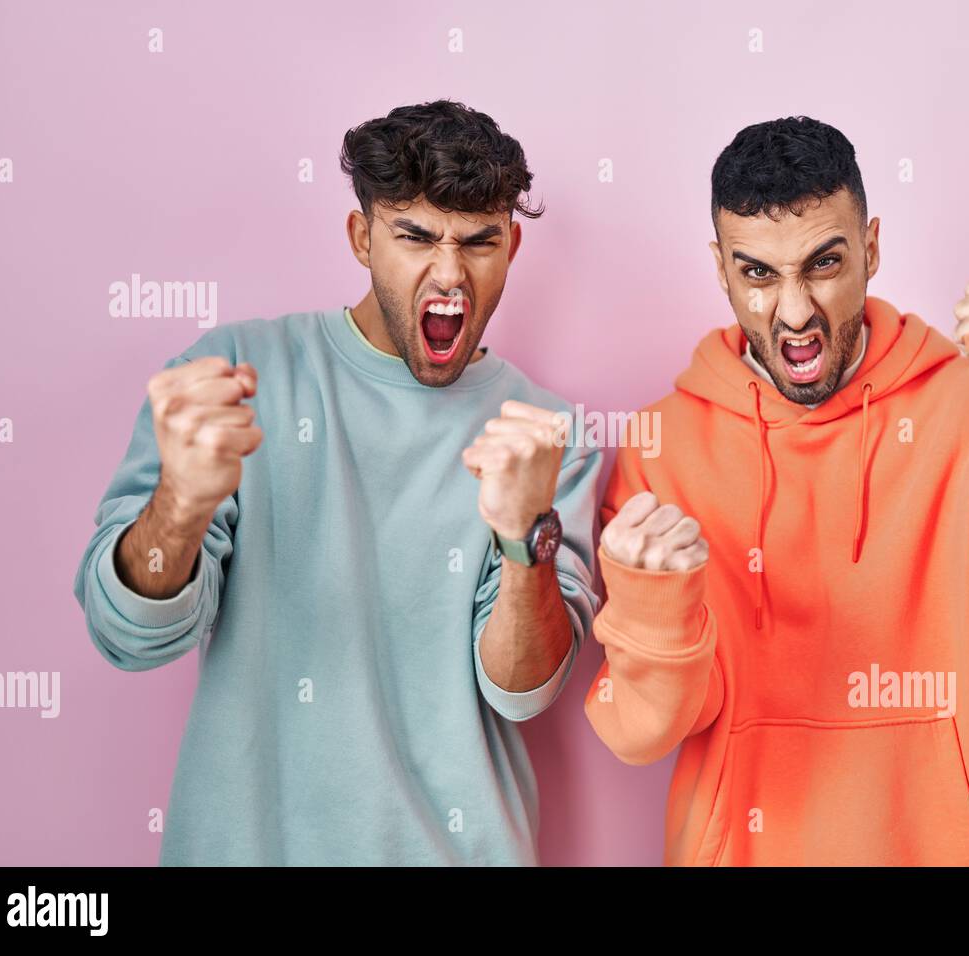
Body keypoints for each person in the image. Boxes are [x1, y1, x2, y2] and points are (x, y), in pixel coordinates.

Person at [583, 115, 969, 866]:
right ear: (720, 270)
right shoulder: (665, 445)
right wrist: (653, 613)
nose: (794, 312)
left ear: (871, 249)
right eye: (757, 274)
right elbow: (639, 732)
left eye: (823, 263)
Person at [74, 99, 599, 865]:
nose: (449, 273)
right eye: (415, 236)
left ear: (512, 247)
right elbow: (127, 635)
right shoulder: (233, 379)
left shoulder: (546, 433)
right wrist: (180, 507)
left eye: (479, 242)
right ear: (362, 237)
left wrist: (525, 541)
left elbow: (522, 691)